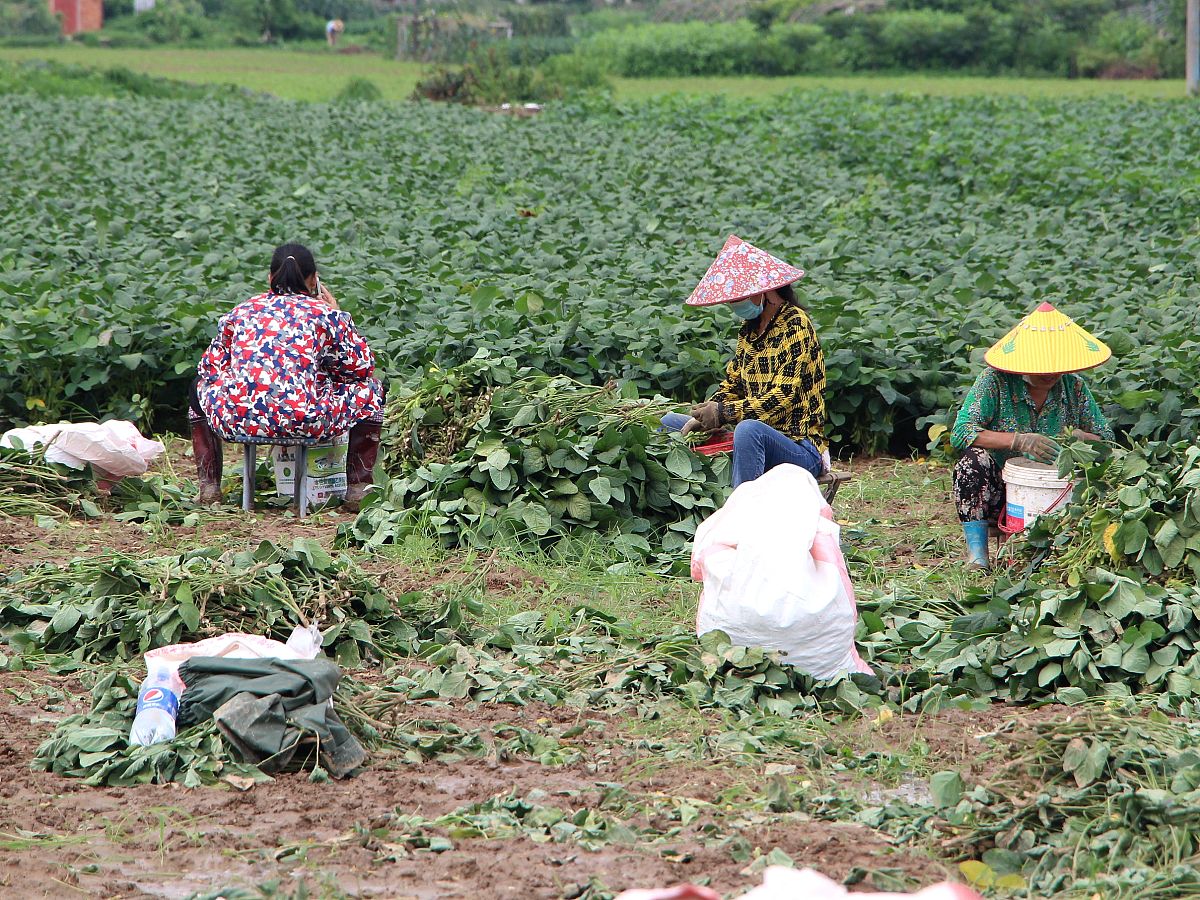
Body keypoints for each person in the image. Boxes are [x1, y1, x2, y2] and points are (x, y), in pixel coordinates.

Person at [189, 243, 385, 512]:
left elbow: (209, 368)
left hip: (237, 420)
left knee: (196, 388)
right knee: (372, 389)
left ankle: (209, 486)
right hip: (305, 421)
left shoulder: (242, 311)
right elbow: (361, 369)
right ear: (314, 279)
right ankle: (357, 489)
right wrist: (336, 315)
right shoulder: (326, 315)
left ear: (270, 278)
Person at [951, 302, 1114, 570]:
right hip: (997, 487)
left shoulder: (1074, 388)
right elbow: (962, 432)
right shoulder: (995, 382)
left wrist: (1082, 438)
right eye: (1041, 365)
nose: (1050, 373)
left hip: (1055, 494)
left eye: (1057, 365)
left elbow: (1107, 439)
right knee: (972, 462)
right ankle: (978, 555)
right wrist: (1019, 440)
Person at [663, 234, 828, 489]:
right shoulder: (749, 330)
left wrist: (724, 413)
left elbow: (782, 397)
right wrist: (710, 410)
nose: (734, 304)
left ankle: (742, 511)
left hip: (799, 447)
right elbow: (733, 383)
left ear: (766, 291)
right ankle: (699, 501)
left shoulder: (796, 325)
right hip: (751, 440)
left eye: (739, 297)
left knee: (749, 429)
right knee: (671, 423)